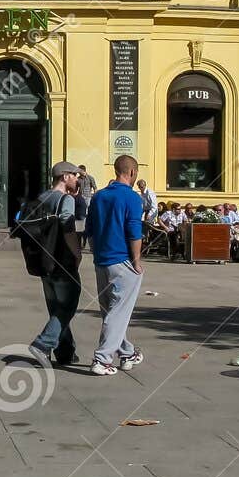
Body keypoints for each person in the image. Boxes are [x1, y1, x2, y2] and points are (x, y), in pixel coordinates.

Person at [85, 154, 145, 376]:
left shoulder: (99, 196)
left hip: (102, 260)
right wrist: (136, 261)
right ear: (132, 172)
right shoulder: (132, 198)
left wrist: (97, 253)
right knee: (118, 313)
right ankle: (102, 359)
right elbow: (134, 231)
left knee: (111, 311)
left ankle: (127, 353)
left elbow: (90, 229)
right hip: (122, 260)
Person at [24, 163, 82, 369]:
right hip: (62, 259)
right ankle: (42, 344)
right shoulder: (66, 200)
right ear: (65, 177)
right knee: (68, 303)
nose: (77, 179)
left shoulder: (41, 198)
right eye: (75, 175)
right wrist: (77, 254)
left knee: (56, 307)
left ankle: (65, 352)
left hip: (44, 260)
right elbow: (68, 229)